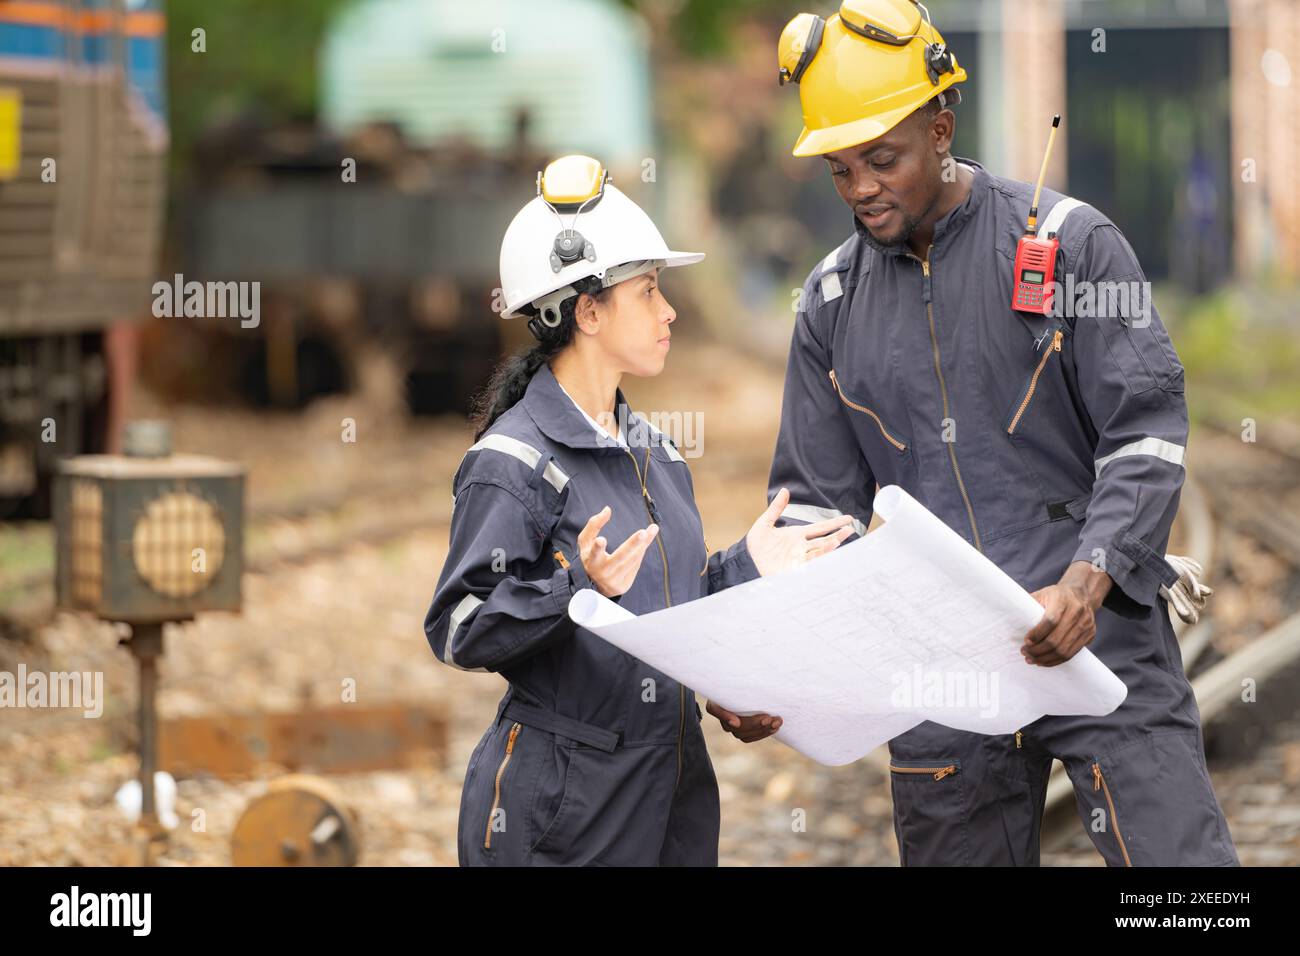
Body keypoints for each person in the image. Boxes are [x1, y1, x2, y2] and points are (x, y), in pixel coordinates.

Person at [741, 0, 1238, 866]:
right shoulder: (826, 307)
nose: (860, 188)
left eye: (882, 159)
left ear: (941, 126)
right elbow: (813, 516)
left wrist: (1088, 583)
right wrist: (778, 667)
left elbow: (1146, 433)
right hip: (940, 670)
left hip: (1097, 633)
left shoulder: (1070, 246)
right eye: (839, 168)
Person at [423, 154, 853, 866]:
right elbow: (459, 625)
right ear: (586, 310)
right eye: (648, 291)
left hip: (671, 791)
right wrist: (575, 589)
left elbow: (669, 607)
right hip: (566, 809)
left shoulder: (653, 450)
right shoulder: (514, 462)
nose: (670, 310)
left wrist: (749, 569)